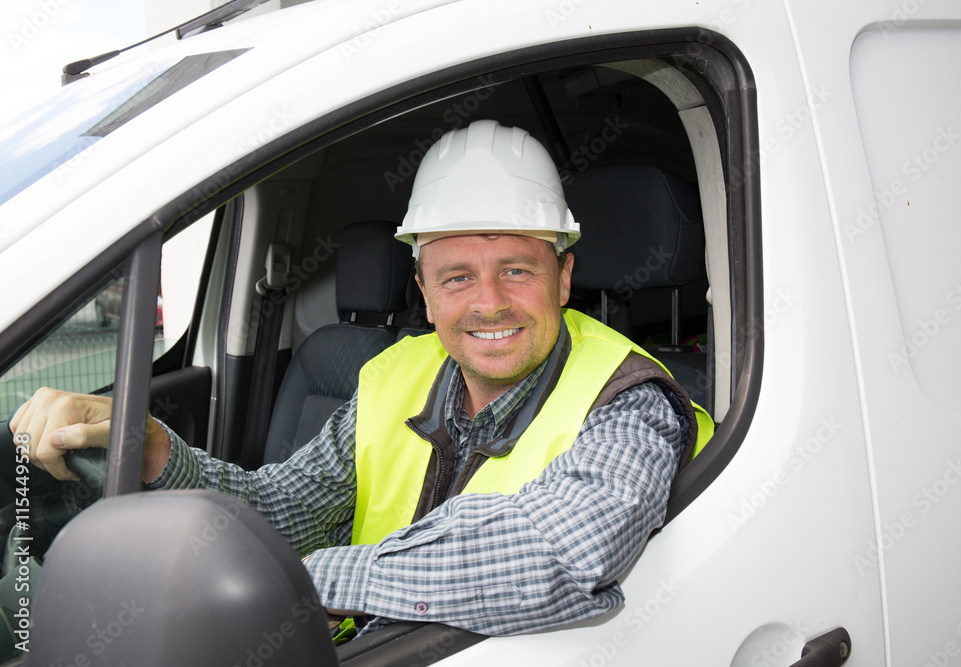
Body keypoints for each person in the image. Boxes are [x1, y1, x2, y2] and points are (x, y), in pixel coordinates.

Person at [11, 119, 712, 637]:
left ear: (563, 276)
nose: (490, 302)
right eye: (458, 276)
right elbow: (282, 510)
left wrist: (296, 585)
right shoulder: (394, 376)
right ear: (424, 289)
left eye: (518, 270)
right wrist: (161, 450)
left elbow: (557, 553)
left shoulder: (630, 400)